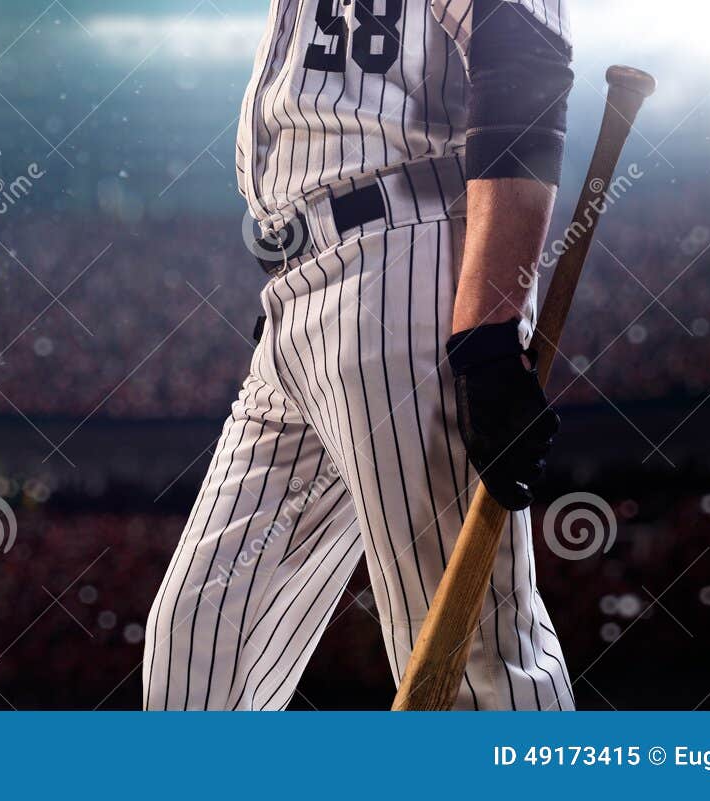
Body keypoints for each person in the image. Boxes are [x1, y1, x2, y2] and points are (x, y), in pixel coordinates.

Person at [144, 0, 575, 710]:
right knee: (200, 643)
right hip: (297, 285)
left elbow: (522, 53)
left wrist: (488, 330)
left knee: (473, 662)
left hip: (406, 264)